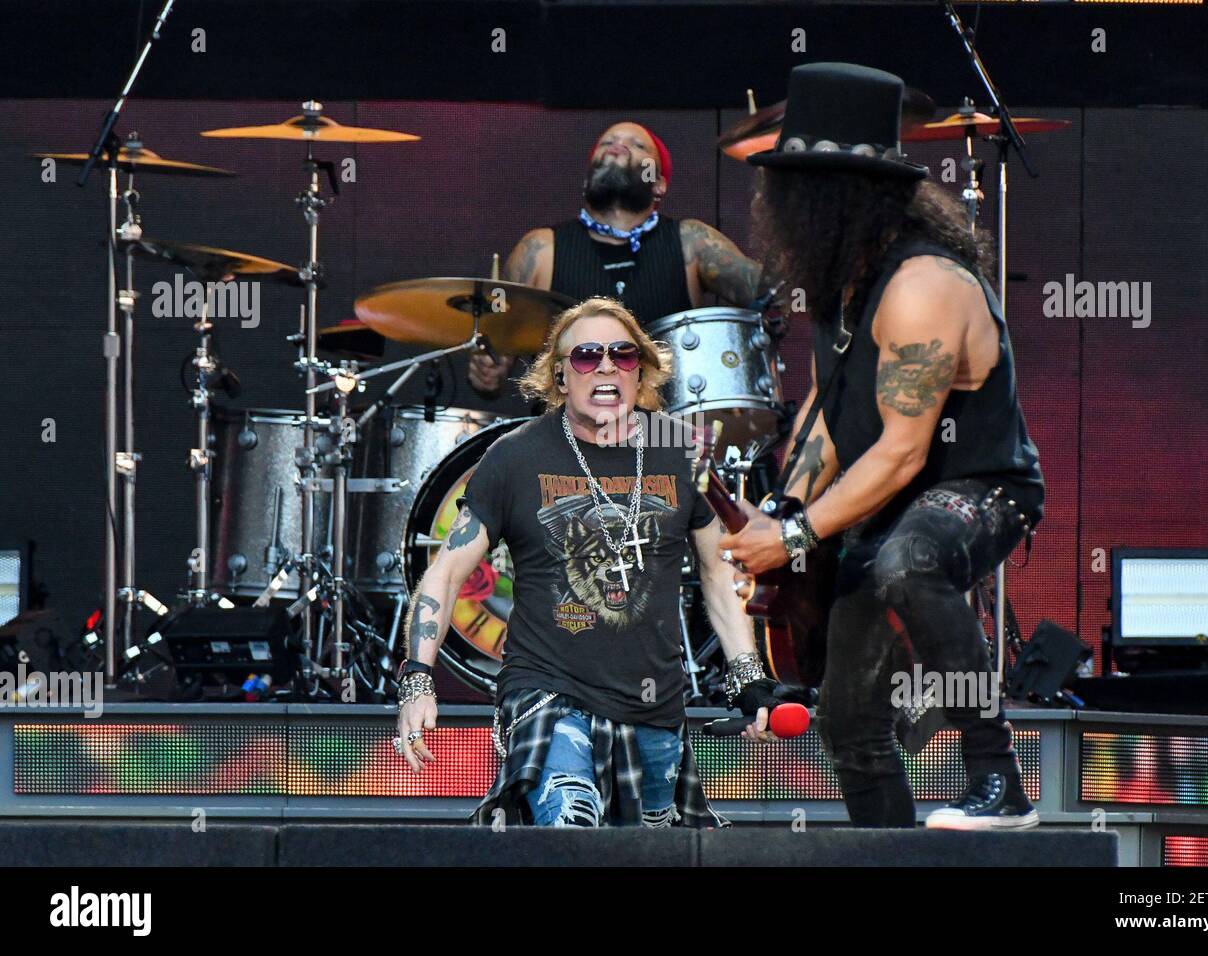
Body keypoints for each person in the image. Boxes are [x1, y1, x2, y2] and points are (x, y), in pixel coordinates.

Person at [718, 63, 1046, 830]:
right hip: (890, 505)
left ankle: (999, 779)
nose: (775, 207)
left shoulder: (921, 284)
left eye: (791, 190)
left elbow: (901, 451)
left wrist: (796, 536)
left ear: (831, 198)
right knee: (847, 717)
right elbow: (829, 423)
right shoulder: (845, 288)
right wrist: (777, 513)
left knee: (908, 562)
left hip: (981, 488)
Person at [395, 296, 781, 827]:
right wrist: (418, 678)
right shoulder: (516, 454)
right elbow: (446, 571)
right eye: (586, 356)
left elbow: (720, 571)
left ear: (640, 369)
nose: (605, 366)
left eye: (622, 355)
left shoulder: (680, 448)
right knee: (569, 822)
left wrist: (748, 679)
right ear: (559, 374)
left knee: (653, 848)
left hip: (656, 707)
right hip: (549, 692)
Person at [467, 121, 762, 396]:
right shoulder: (540, 248)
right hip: (566, 440)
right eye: (607, 142)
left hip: (666, 436)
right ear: (587, 178)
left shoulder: (692, 242)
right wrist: (489, 369)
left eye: (637, 145)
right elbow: (496, 351)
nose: (617, 146)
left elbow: (771, 294)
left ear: (659, 183)